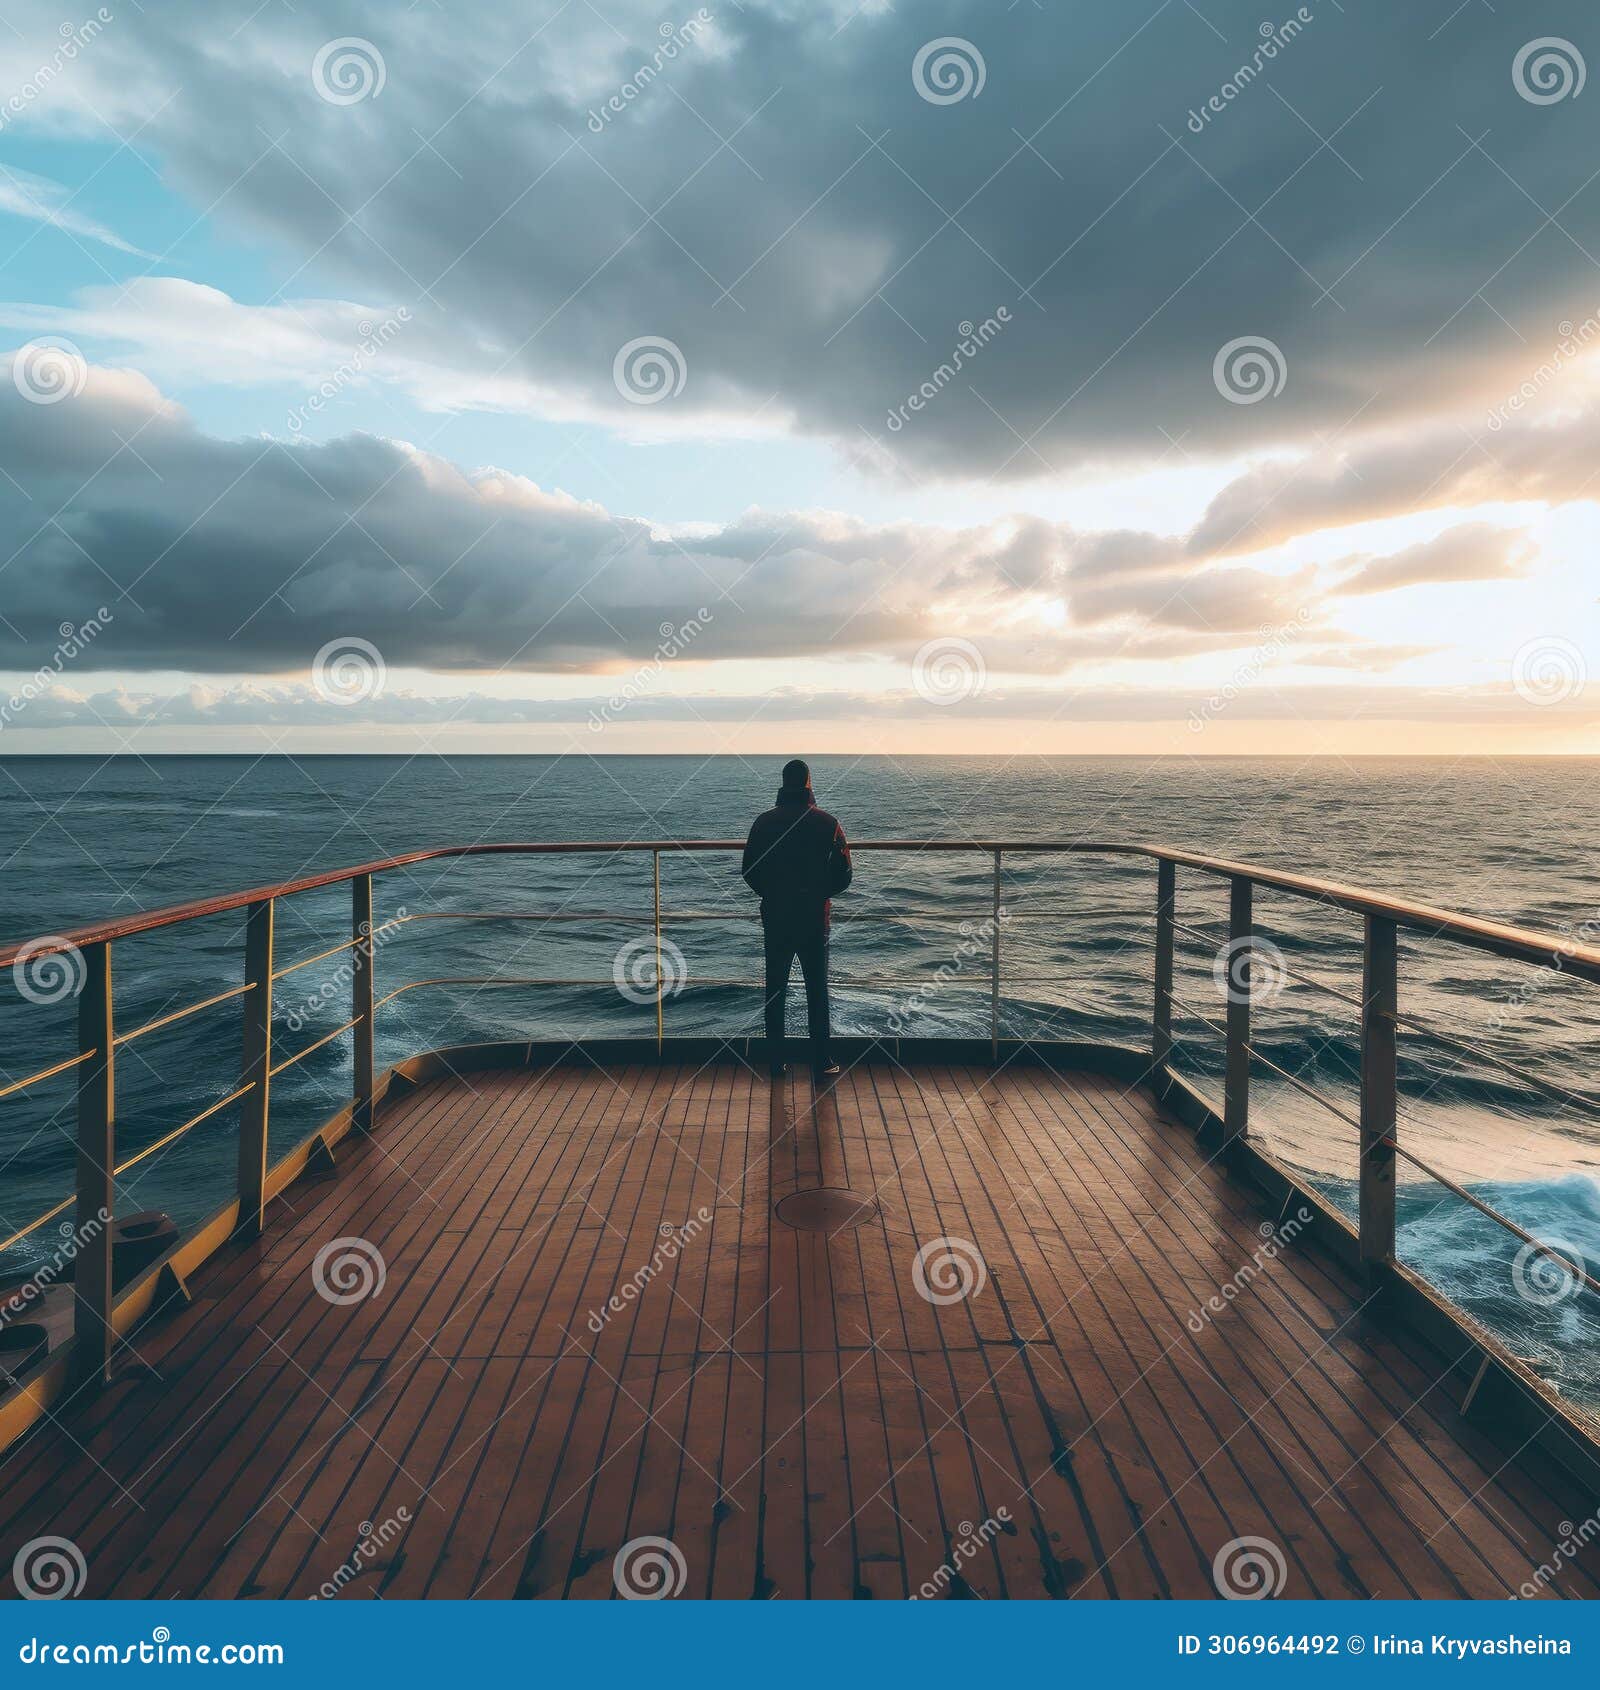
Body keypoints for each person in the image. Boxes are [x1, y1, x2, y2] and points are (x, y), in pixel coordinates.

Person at [741, 759, 853, 1079]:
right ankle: (821, 1060)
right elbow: (845, 874)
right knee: (817, 989)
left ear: (783, 782)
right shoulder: (828, 823)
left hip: (776, 915)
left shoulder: (763, 823)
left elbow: (749, 869)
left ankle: (776, 1061)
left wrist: (772, 893)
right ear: (808, 783)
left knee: (775, 988)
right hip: (814, 917)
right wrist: (819, 893)